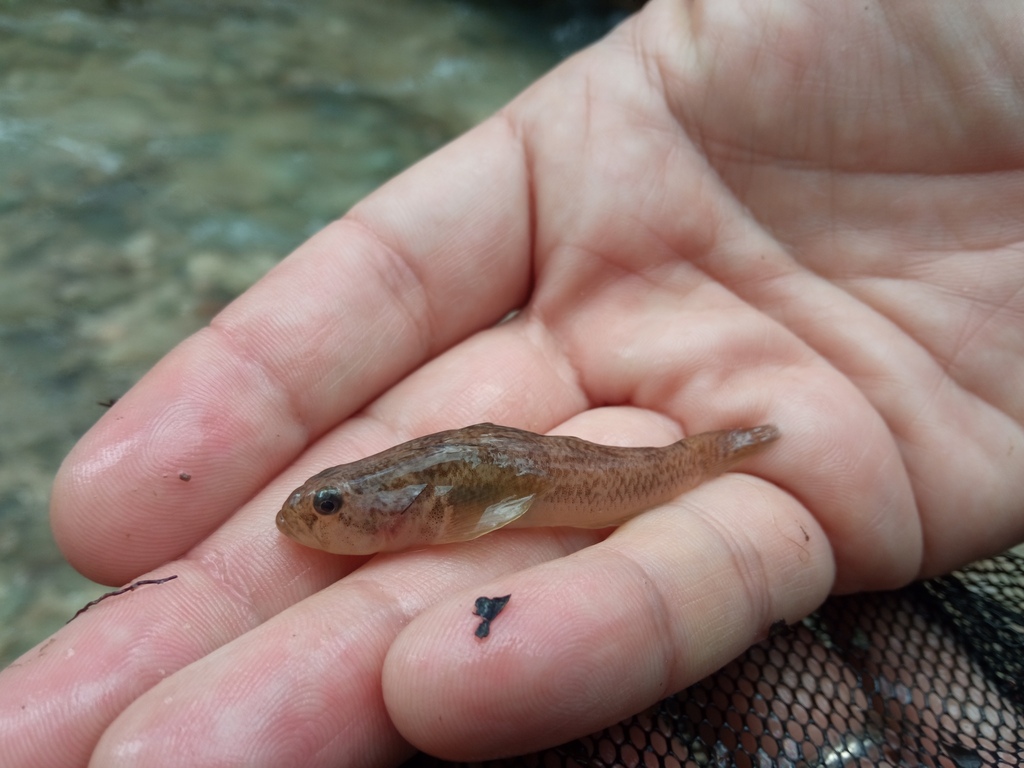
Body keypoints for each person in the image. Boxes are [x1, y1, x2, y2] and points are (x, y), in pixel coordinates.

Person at [2, 1, 1023, 765]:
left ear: (398, 501)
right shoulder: (415, 491)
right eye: (327, 502)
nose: (316, 514)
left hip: (578, 469)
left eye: (332, 504)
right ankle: (722, 451)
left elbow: (484, 499)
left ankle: (725, 451)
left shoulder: (429, 493)